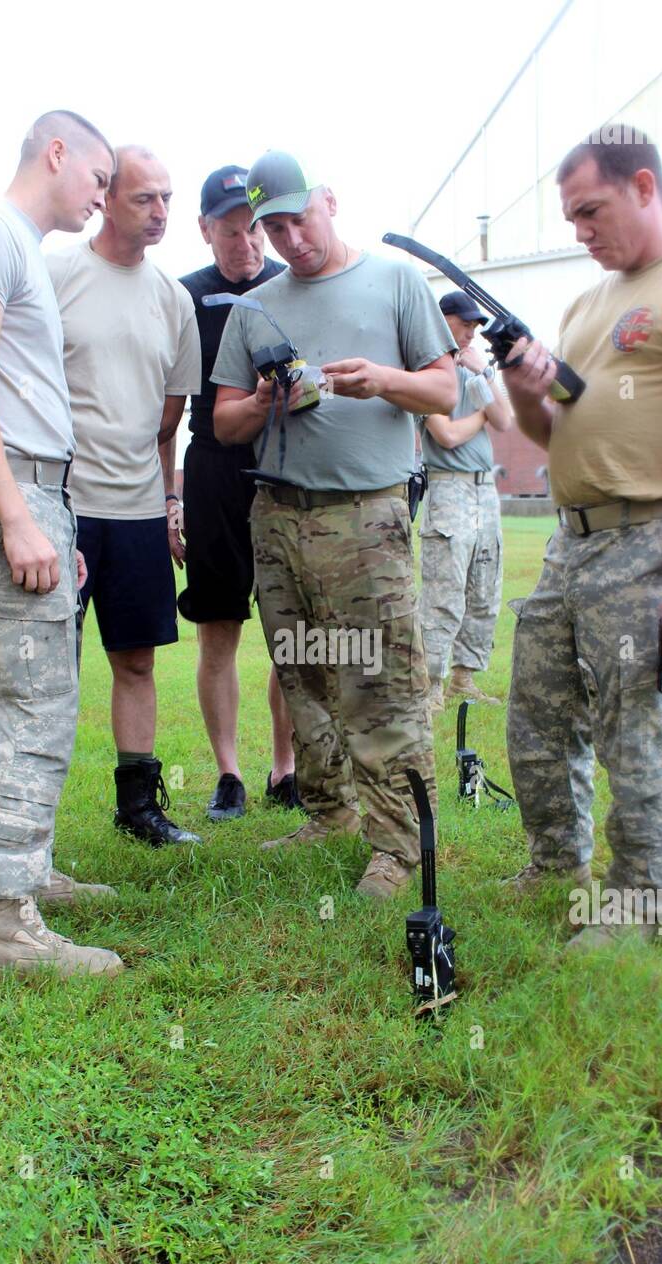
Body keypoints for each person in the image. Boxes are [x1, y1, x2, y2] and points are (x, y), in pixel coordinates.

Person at [502, 124, 662, 951]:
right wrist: (523, 388)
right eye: (570, 217)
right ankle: (556, 864)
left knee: (643, 730)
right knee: (538, 718)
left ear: (643, 186)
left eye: (590, 211)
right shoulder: (587, 304)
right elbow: (552, 438)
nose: (579, 232)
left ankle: (644, 907)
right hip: (570, 545)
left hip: (654, 542)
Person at [212, 151, 457, 898]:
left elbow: (445, 390)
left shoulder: (394, 282)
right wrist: (262, 404)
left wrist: (382, 379)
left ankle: (399, 846)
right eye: (273, 227)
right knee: (306, 675)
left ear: (329, 200)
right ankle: (328, 813)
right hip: (280, 517)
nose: (289, 239)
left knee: (380, 681)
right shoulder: (259, 304)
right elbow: (222, 422)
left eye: (297, 219)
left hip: (367, 517)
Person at [0, 110, 124, 977]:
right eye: (99, 180)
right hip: (7, 489)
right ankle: (6, 926)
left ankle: (26, 865)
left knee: (26, 689)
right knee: (29, 707)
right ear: (56, 154)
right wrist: (14, 513)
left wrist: (46, 514)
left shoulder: (13, 247)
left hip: (34, 488)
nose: (102, 200)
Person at [46, 146, 202, 847]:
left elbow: (170, 421)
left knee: (137, 660)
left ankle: (138, 807)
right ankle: (32, 815)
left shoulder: (174, 299)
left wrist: (170, 504)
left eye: (168, 198)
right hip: (63, 507)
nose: (161, 212)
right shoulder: (54, 275)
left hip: (137, 509)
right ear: (105, 197)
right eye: (145, 198)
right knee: (50, 668)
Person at [178, 165, 300, 823]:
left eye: (255, 229)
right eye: (231, 231)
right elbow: (165, 409)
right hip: (212, 469)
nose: (247, 244)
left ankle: (285, 767)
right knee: (218, 627)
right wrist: (172, 501)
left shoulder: (289, 287)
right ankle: (229, 774)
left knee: (288, 630)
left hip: (283, 465)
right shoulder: (183, 297)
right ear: (206, 230)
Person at [419, 291, 512, 713]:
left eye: (476, 325)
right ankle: (430, 685)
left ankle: (464, 677)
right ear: (442, 320)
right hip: (449, 487)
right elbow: (448, 435)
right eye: (465, 323)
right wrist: (484, 411)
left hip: (483, 490)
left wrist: (483, 380)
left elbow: (506, 421)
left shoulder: (476, 371)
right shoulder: (427, 370)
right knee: (444, 590)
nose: (472, 331)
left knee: (484, 587)